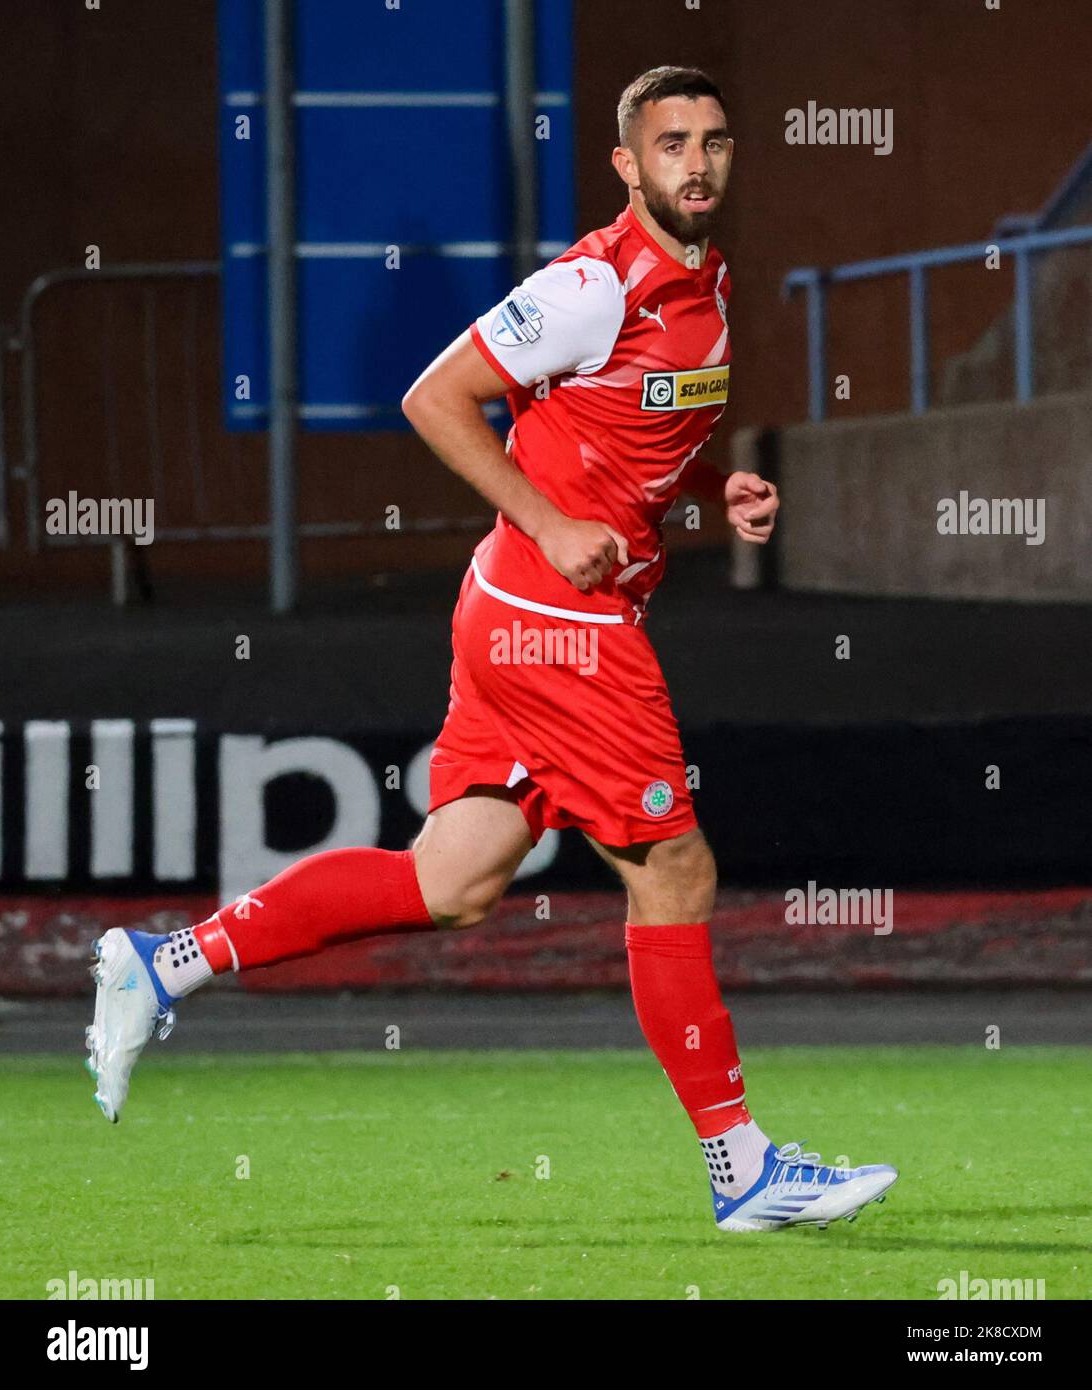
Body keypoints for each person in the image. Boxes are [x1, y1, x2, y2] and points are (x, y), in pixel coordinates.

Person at [86, 65, 896, 1232]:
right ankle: (744, 1169)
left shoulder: (704, 280)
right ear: (628, 164)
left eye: (715, 140)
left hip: (515, 612)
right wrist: (553, 522)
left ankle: (160, 967)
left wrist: (719, 489)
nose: (698, 161)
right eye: (671, 144)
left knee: (451, 881)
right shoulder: (591, 283)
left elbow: (620, 436)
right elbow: (435, 398)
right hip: (558, 625)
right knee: (674, 872)